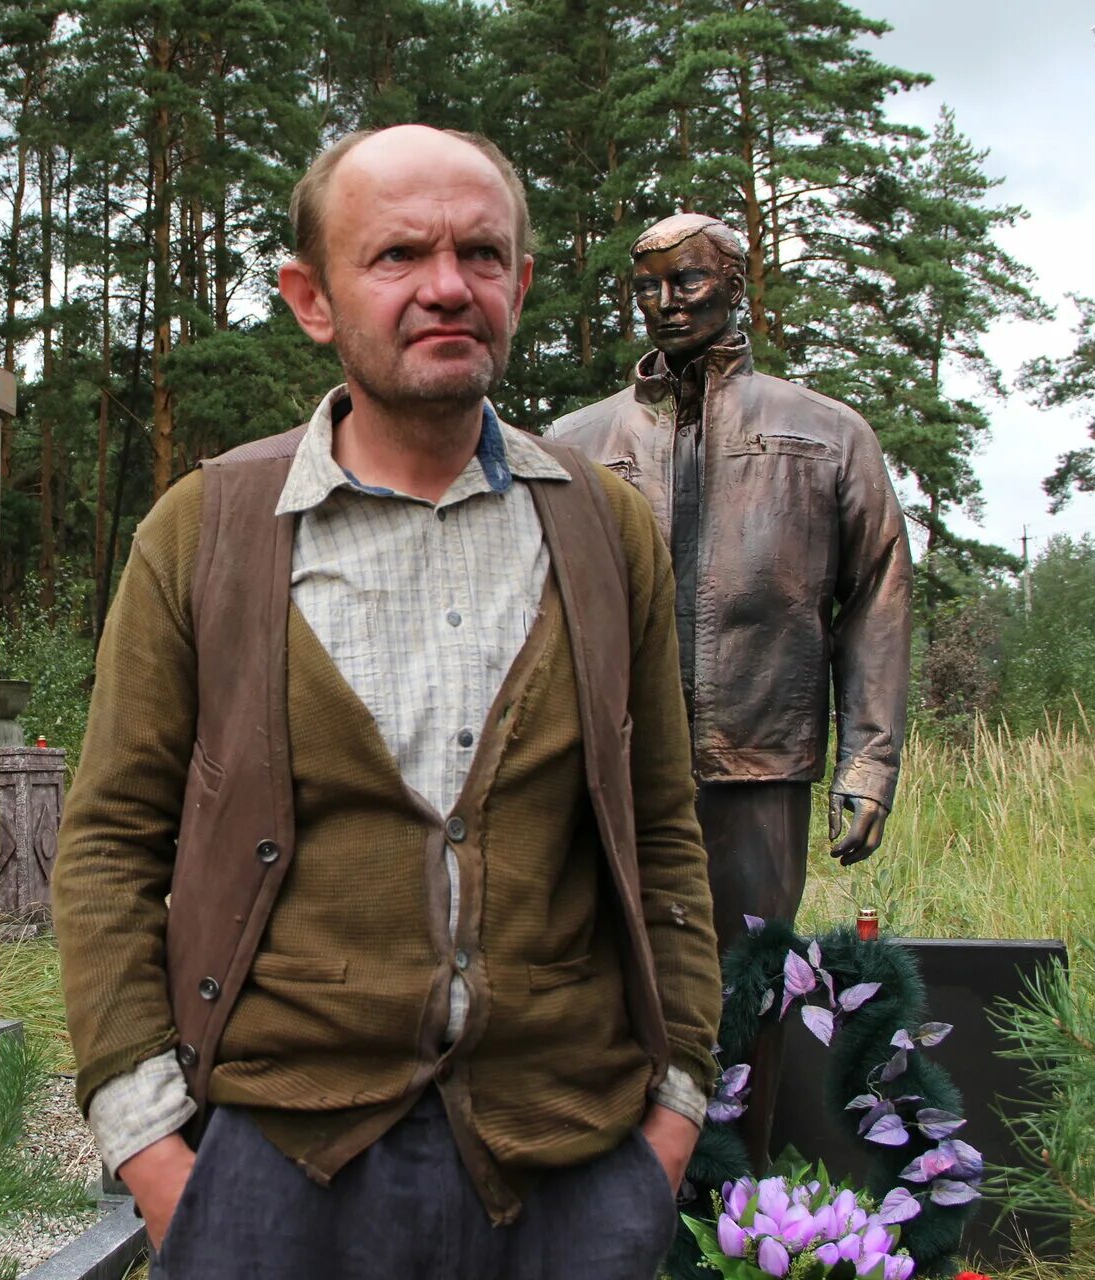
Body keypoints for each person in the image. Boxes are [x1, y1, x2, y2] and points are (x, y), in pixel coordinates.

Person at [51, 126, 720, 1280]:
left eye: (482, 253)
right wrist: (156, 1155)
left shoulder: (609, 534)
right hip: (273, 1174)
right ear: (313, 299)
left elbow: (663, 827)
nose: (448, 286)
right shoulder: (204, 532)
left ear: (518, 282)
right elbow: (109, 843)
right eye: (399, 254)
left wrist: (672, 1118)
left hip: (571, 1167)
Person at [549, 213, 912, 1163]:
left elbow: (876, 592)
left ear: (737, 284)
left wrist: (869, 761)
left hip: (760, 759)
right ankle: (607, 1203)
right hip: (607, 769)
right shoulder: (576, 443)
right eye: (649, 285)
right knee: (596, 981)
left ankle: (736, 1209)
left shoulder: (825, 435)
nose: (666, 302)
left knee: (749, 985)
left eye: (689, 280)